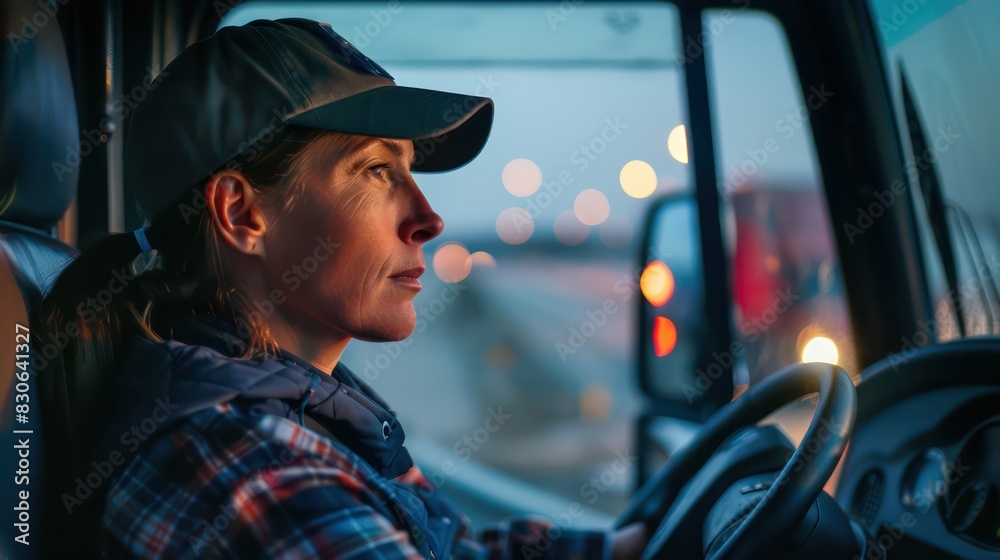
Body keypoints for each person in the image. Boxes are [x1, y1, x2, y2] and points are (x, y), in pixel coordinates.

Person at [38, 18, 647, 559]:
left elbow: (447, 545)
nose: (428, 220)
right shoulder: (255, 475)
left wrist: (624, 546)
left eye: (408, 169)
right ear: (242, 213)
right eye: (377, 171)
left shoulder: (299, 408)